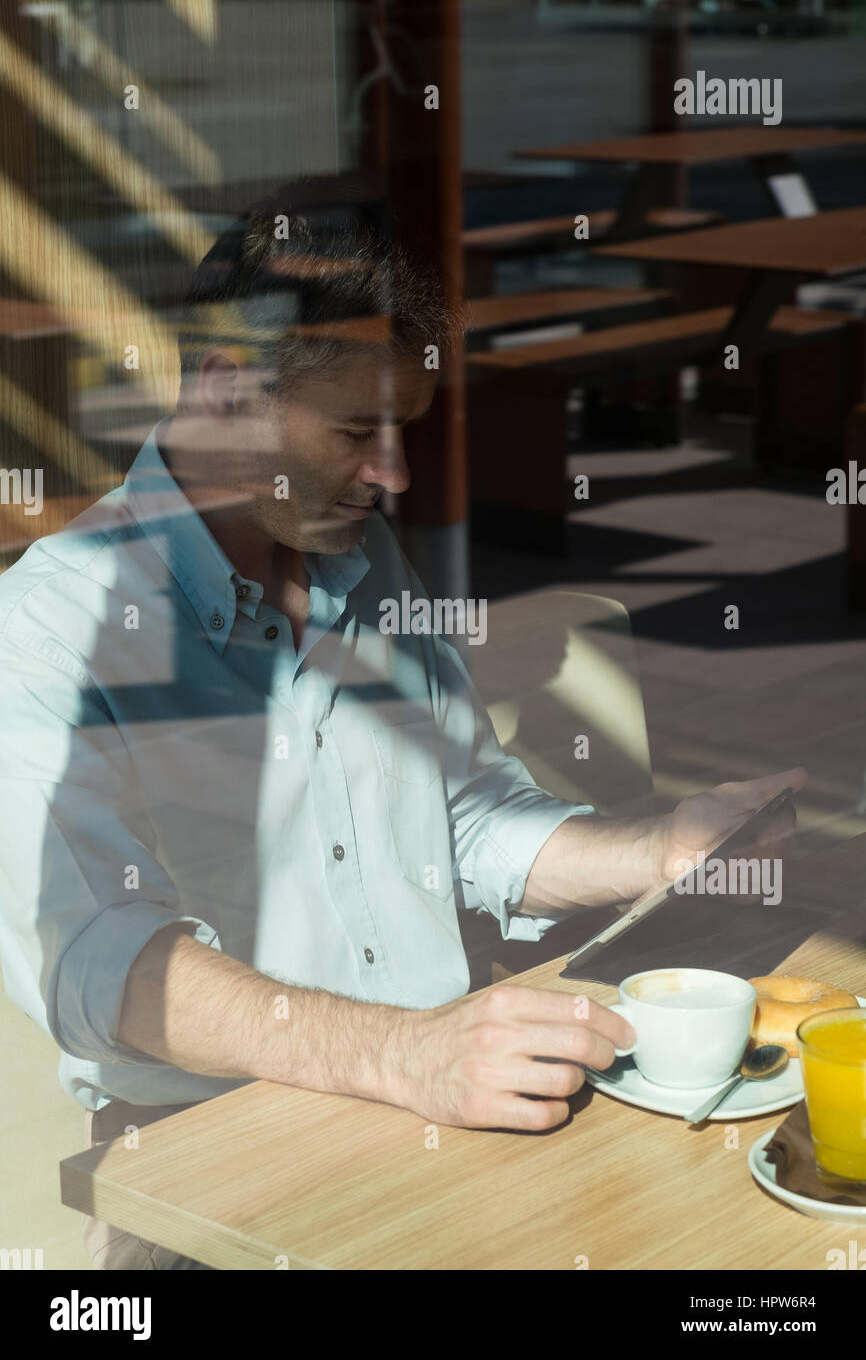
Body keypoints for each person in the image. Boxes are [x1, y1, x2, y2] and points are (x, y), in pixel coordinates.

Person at [0, 183, 803, 1268]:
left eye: (405, 429)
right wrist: (406, 1056)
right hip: (213, 1182)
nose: (396, 474)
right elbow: (102, 963)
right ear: (228, 390)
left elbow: (463, 820)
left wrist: (656, 849)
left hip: (448, 1122)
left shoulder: (353, 552)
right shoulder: (55, 624)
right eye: (355, 432)